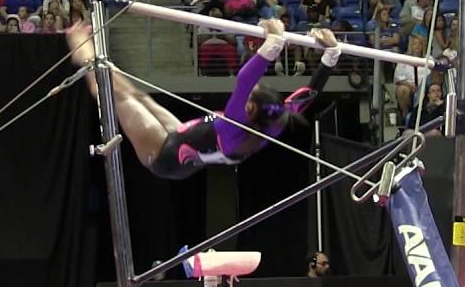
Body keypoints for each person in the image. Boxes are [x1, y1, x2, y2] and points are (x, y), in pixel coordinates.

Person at [67, 20, 341, 180]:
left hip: (162, 155)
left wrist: (273, 42)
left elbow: (245, 79)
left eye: (253, 93)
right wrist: (330, 56)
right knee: (135, 94)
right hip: (178, 138)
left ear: (249, 107)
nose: (252, 89)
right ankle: (104, 66)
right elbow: (306, 98)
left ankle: (81, 50)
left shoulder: (237, 126)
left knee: (116, 94)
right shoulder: (272, 122)